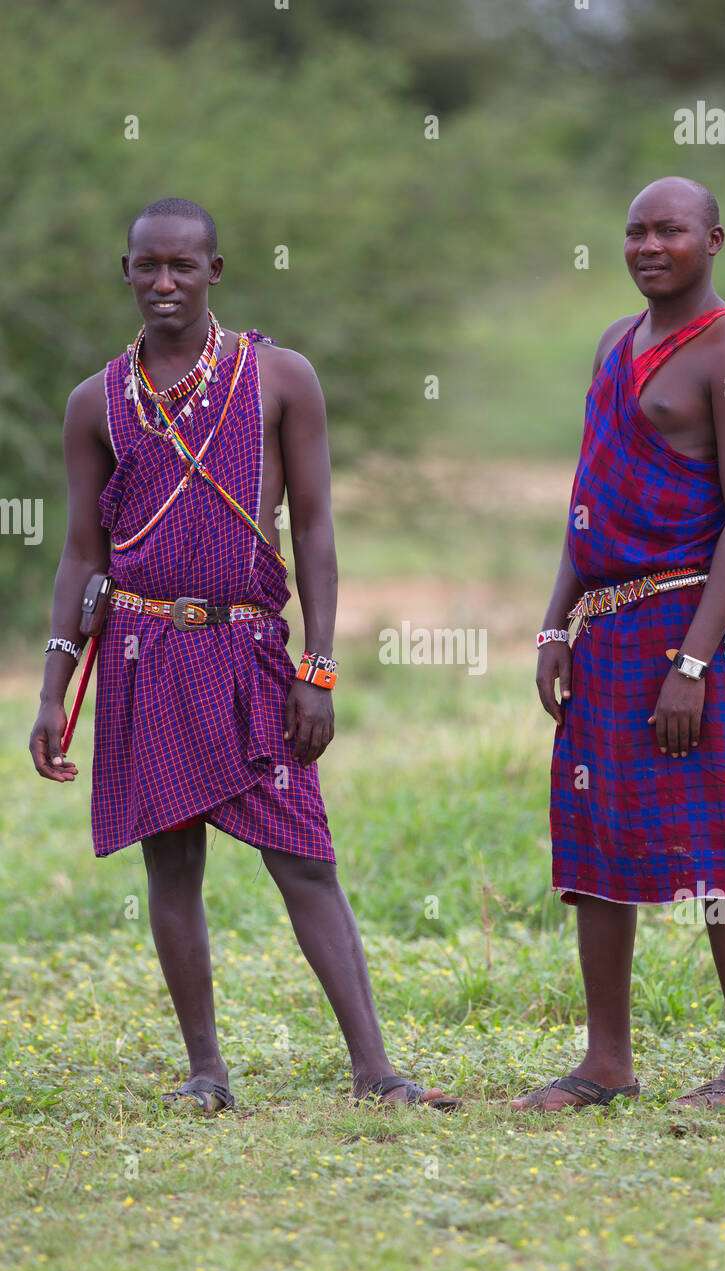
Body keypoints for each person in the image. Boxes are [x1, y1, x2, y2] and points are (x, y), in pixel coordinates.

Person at [30, 197, 458, 1116]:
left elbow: (315, 527)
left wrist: (319, 667)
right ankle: (206, 1072)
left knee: (304, 858)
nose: (165, 282)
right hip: (141, 651)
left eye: (183, 266)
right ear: (126, 272)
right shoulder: (95, 403)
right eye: (148, 266)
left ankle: (377, 1070)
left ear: (214, 272)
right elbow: (80, 555)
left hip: (250, 650)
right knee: (170, 861)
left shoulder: (278, 377)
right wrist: (52, 688)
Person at [514, 176, 725, 1113]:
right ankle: (606, 1061)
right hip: (608, 626)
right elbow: (588, 500)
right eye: (635, 231)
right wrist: (559, 621)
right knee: (599, 836)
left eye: (670, 230)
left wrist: (693, 665)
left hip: (699, 624)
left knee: (720, 834)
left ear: (714, 240)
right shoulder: (614, 344)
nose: (649, 246)